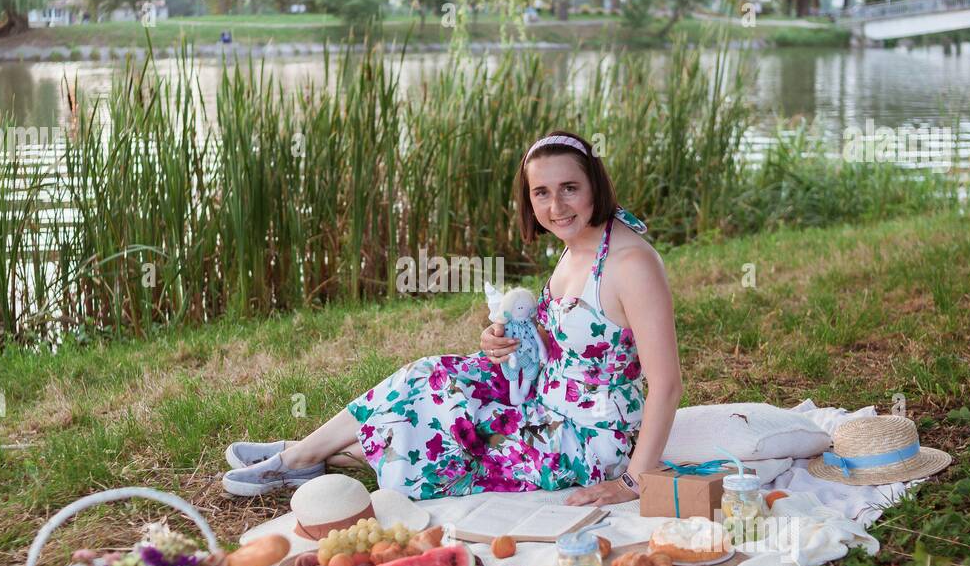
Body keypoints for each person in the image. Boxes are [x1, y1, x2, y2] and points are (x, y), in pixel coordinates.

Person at [223, 130, 683, 506]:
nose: (555, 207)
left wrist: (633, 483)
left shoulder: (631, 264)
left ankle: (308, 457)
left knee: (454, 437)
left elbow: (667, 384)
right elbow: (572, 336)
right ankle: (306, 453)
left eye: (570, 189)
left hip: (589, 437)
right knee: (428, 375)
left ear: (594, 186)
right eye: (541, 192)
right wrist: (502, 341)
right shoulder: (577, 242)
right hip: (542, 394)